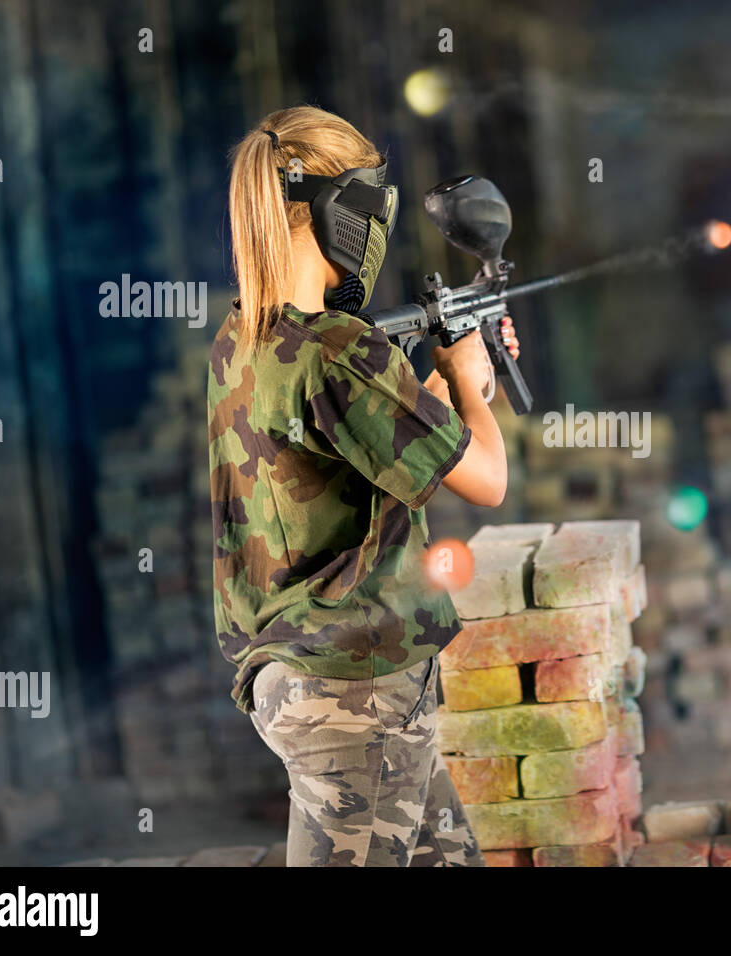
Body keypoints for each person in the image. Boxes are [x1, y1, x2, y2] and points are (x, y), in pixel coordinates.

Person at [210, 106, 519, 866]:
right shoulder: (341, 350)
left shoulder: (242, 342)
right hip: (355, 699)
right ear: (337, 209)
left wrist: (451, 380)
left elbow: (402, 452)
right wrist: (470, 378)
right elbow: (488, 478)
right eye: (372, 202)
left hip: (305, 678)